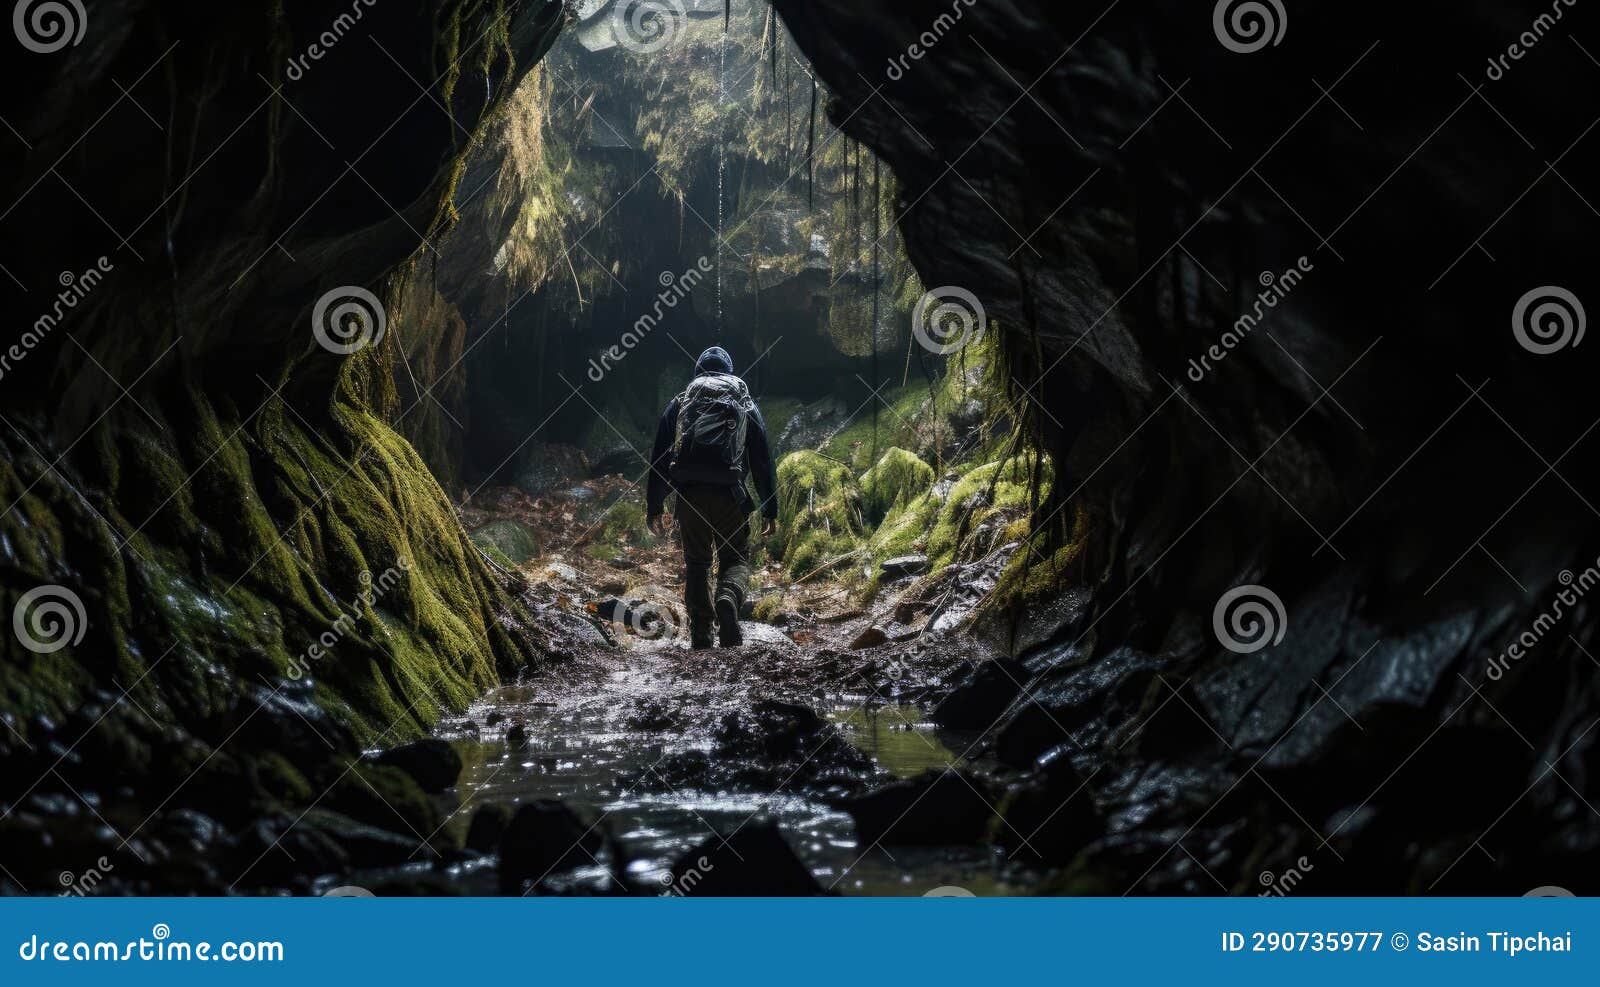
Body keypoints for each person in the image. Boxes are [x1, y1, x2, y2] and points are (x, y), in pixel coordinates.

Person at [646, 346, 778, 649]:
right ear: (730, 373)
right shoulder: (744, 403)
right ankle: (728, 598)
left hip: (690, 499)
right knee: (736, 558)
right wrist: (770, 508)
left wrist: (655, 506)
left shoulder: (680, 403)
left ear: (696, 375)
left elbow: (659, 460)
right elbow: (761, 460)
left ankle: (701, 633)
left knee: (697, 564)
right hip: (731, 497)